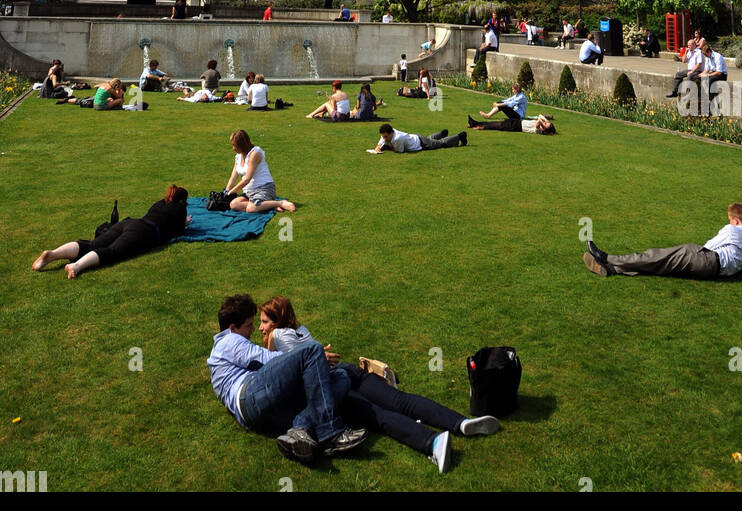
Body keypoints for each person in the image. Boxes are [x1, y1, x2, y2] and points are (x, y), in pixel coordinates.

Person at [258, 296, 500, 473]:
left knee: (379, 416)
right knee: (400, 400)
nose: (261, 328)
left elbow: (280, 367)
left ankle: (433, 442)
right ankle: (462, 423)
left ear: (277, 322)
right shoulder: (301, 329)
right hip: (348, 370)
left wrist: (269, 341)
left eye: (265, 322)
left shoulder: (277, 336)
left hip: (332, 384)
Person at [206, 293, 367, 463]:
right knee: (312, 349)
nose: (253, 329)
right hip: (249, 396)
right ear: (232, 328)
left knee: (340, 376)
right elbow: (264, 360)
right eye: (248, 325)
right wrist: (309, 358)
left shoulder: (226, 348)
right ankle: (331, 433)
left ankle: (299, 429)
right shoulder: (228, 341)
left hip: (262, 411)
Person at [32, 184, 192, 279]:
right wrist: (185, 222)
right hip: (144, 232)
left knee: (92, 244)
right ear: (183, 200)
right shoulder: (180, 208)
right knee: (112, 252)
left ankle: (52, 254)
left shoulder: (160, 203)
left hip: (131, 222)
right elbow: (179, 230)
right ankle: (76, 266)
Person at [583, 202, 742, 280]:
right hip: (715, 272)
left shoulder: (732, 230)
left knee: (655, 256)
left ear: (736, 221)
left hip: (704, 258)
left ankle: (608, 257)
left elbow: (710, 246)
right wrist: (739, 263)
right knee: (662, 266)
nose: (728, 222)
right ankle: (612, 269)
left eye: (730, 219)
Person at [224, 130, 297, 213]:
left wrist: (232, 191)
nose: (233, 148)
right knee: (234, 204)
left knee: (251, 209)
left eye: (235, 145)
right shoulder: (238, 157)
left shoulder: (255, 153)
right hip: (249, 191)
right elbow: (233, 177)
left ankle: (280, 203)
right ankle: (269, 205)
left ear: (242, 144)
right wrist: (226, 191)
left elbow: (247, 179)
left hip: (264, 188)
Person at [369, 123, 467, 152]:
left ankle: (459, 136)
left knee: (440, 144)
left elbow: (399, 151)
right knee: (430, 139)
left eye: (386, 137)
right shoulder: (389, 131)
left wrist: (387, 147)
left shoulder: (398, 138)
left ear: (391, 133)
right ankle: (440, 134)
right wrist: (378, 147)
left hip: (420, 143)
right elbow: (382, 140)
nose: (385, 139)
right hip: (417, 138)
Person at [469, 112, 557, 135]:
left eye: (546, 125)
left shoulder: (539, 130)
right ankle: (475, 123)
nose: (544, 124)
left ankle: (480, 127)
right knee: (496, 123)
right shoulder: (542, 125)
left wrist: (543, 123)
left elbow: (538, 121)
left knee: (497, 126)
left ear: (545, 130)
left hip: (516, 127)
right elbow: (540, 115)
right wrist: (547, 121)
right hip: (517, 122)